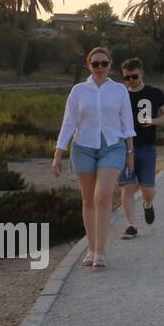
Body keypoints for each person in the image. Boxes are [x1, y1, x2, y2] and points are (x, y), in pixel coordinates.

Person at [52, 47, 135, 269]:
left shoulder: (119, 90)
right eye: (95, 64)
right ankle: (91, 249)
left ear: (110, 65)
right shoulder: (78, 91)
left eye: (104, 63)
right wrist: (59, 152)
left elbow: (127, 124)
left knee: (103, 196)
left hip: (112, 146)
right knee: (88, 200)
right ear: (89, 65)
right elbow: (69, 122)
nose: (100, 68)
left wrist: (130, 153)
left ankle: (101, 251)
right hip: (83, 147)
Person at [118, 58, 164, 239]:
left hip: (147, 147)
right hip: (123, 148)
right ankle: (131, 225)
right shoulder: (121, 95)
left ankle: (148, 204)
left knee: (147, 189)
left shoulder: (155, 93)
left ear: (142, 73)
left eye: (134, 76)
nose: (130, 80)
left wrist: (153, 121)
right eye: (127, 78)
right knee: (127, 188)